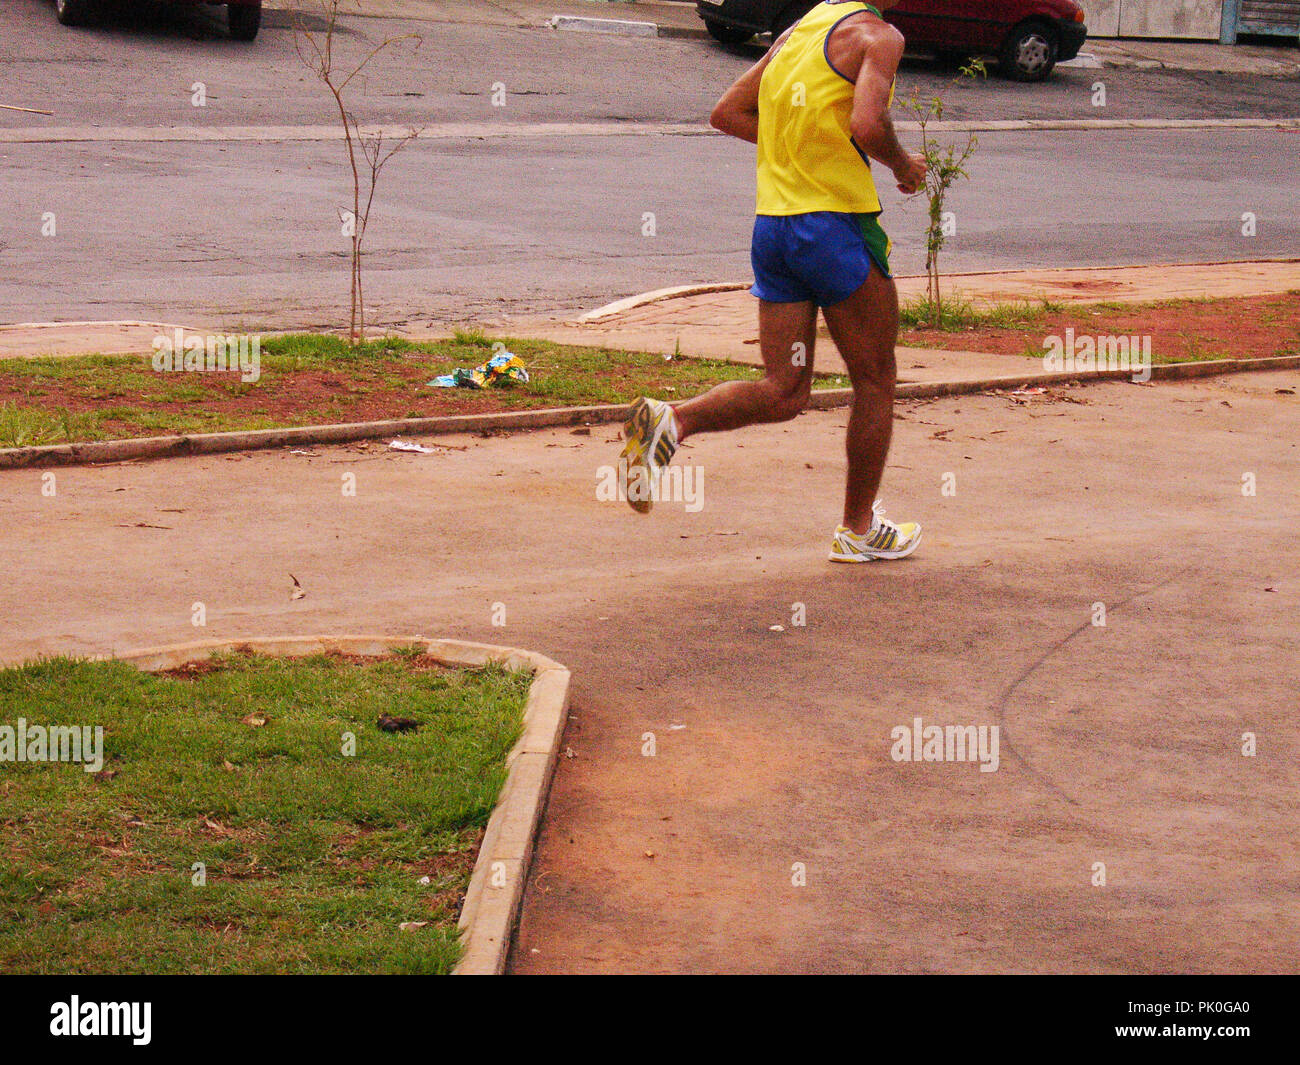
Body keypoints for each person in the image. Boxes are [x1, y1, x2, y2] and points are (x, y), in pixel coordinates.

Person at [619, 0, 926, 562]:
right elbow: (866, 123)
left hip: (776, 231)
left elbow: (727, 113)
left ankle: (673, 420)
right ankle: (857, 530)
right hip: (836, 229)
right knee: (877, 380)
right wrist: (903, 166)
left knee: (783, 390)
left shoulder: (800, 29)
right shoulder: (881, 37)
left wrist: (800, 152)